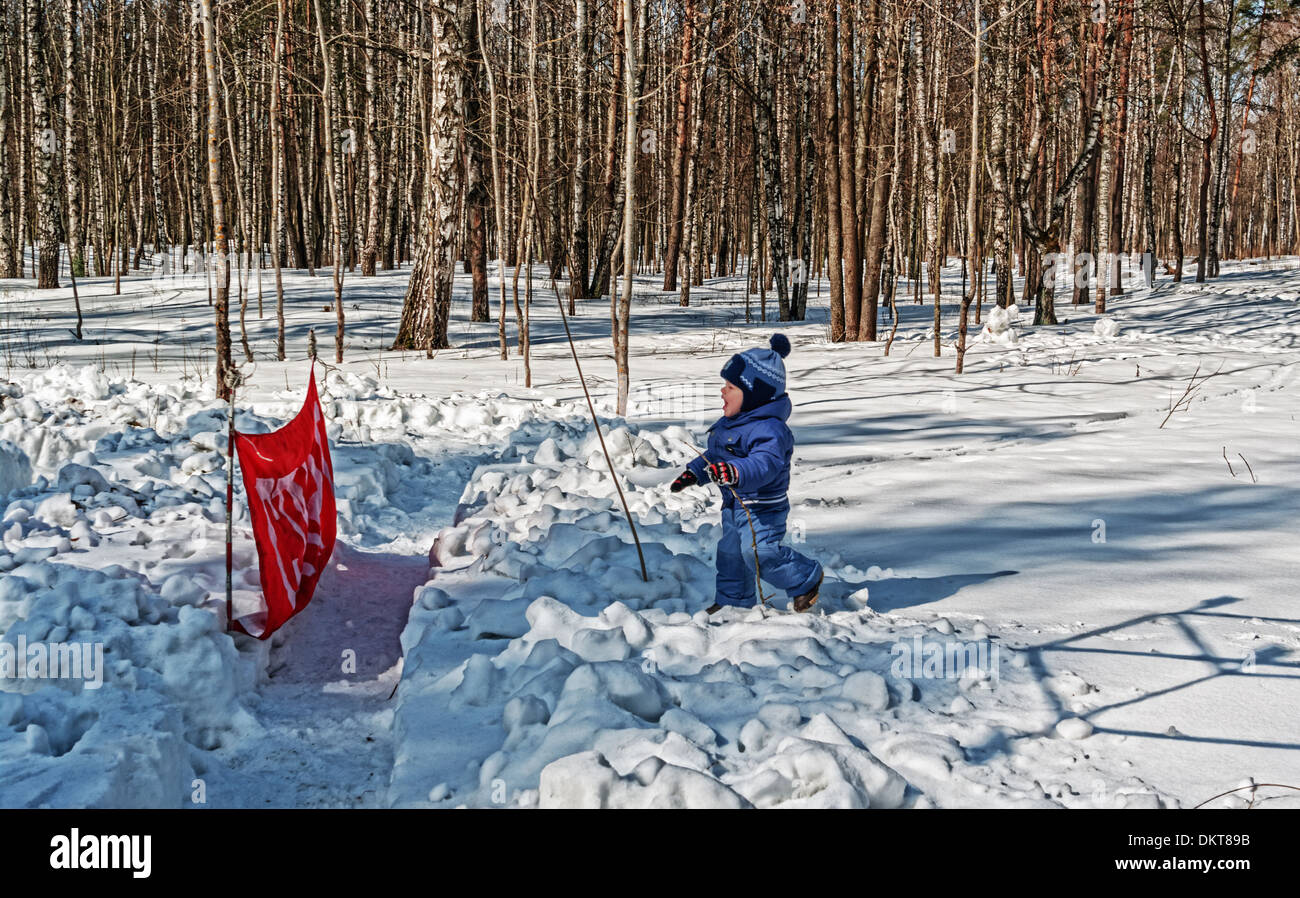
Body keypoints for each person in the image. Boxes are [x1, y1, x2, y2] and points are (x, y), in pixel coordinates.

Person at [670, 333, 824, 614]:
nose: (722, 392)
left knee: (759, 553)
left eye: (730, 387)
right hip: (734, 506)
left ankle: (805, 578)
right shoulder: (730, 425)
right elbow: (716, 457)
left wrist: (734, 472)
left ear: (754, 394)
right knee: (730, 555)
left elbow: (764, 465)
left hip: (762, 508)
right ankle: (734, 602)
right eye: (724, 386)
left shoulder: (771, 430)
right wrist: (695, 473)